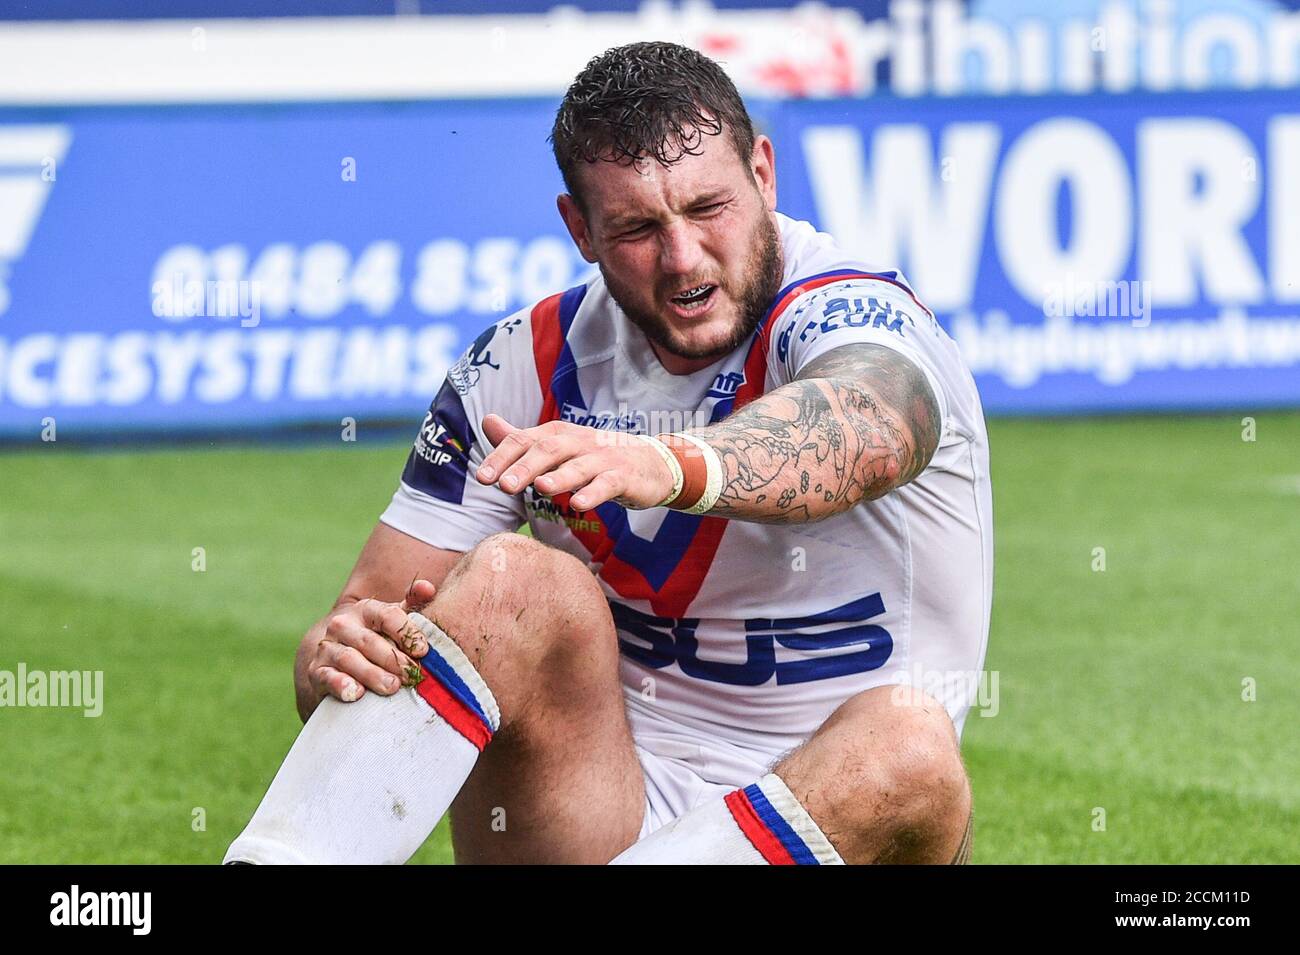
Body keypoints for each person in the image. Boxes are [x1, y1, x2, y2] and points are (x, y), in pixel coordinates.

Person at [224, 40, 992, 865]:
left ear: (764, 175)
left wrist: (662, 465)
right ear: (579, 228)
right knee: (516, 580)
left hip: (821, 821)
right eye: (636, 227)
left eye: (709, 207)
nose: (684, 257)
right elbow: (354, 637)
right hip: (598, 807)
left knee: (910, 749)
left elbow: (869, 426)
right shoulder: (521, 361)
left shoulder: (851, 311)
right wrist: (340, 653)